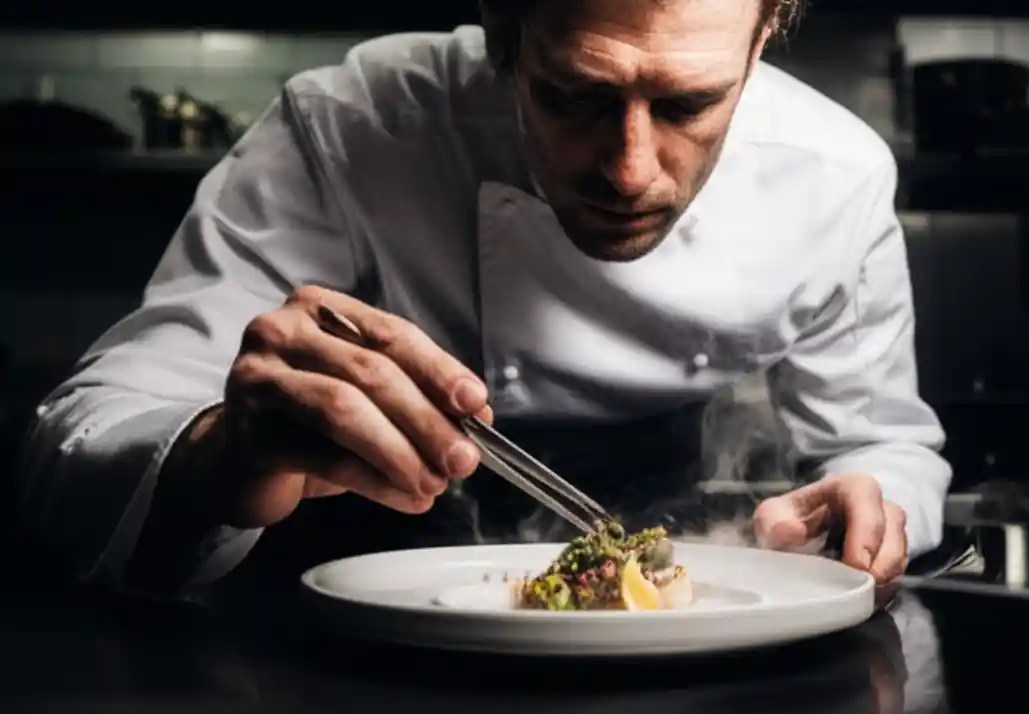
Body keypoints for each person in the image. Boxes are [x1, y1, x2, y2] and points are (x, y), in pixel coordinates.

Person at [15, 0, 951, 596]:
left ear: (763, 39)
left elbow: (884, 444)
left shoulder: (835, 177)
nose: (629, 170)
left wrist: (868, 507)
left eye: (687, 106)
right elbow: (75, 443)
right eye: (576, 95)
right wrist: (227, 454)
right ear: (502, 34)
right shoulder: (351, 128)